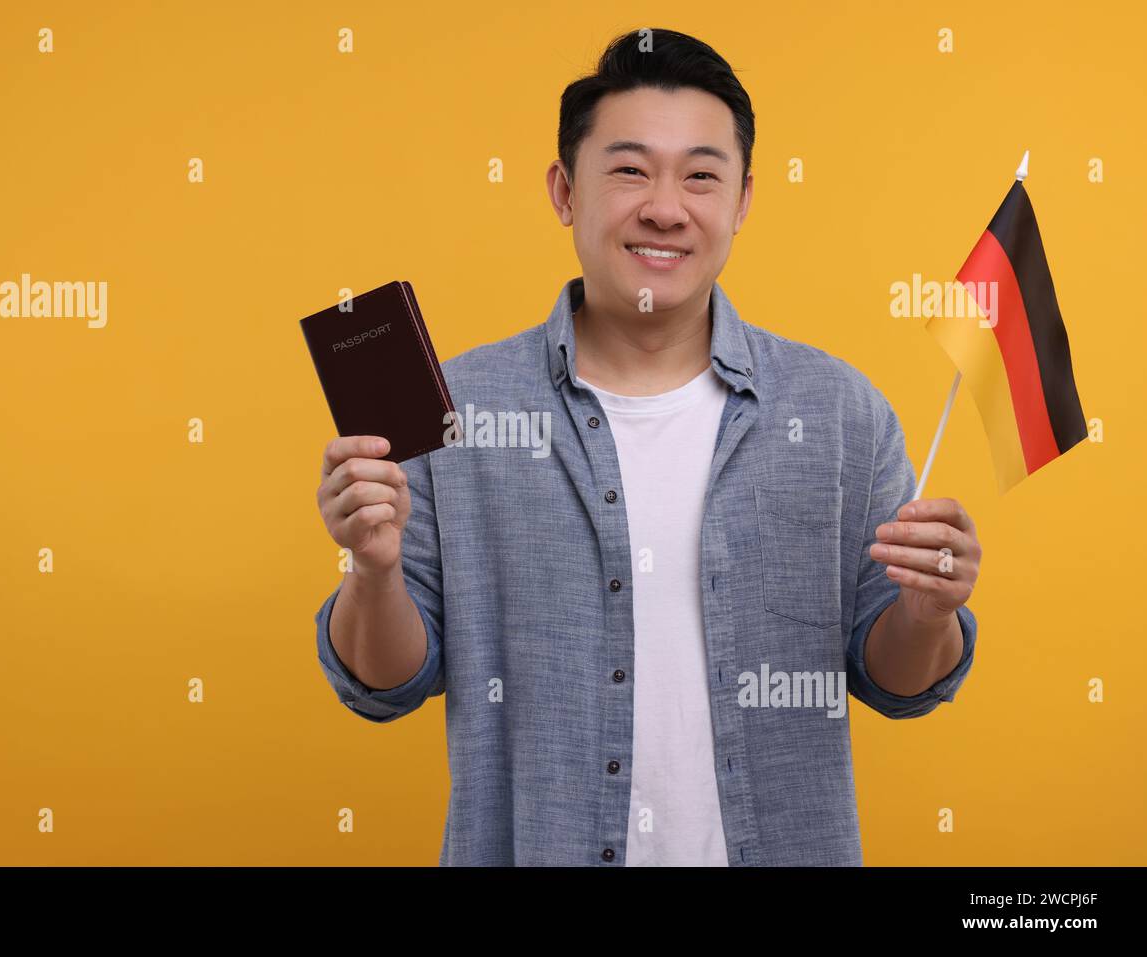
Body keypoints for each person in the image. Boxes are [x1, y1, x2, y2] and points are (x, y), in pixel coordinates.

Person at [312, 28, 982, 866]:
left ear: (741, 201)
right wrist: (371, 569)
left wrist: (928, 614)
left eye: (702, 175)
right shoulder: (450, 407)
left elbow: (900, 683)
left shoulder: (842, 412)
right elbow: (384, 684)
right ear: (564, 190)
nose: (666, 207)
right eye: (629, 169)